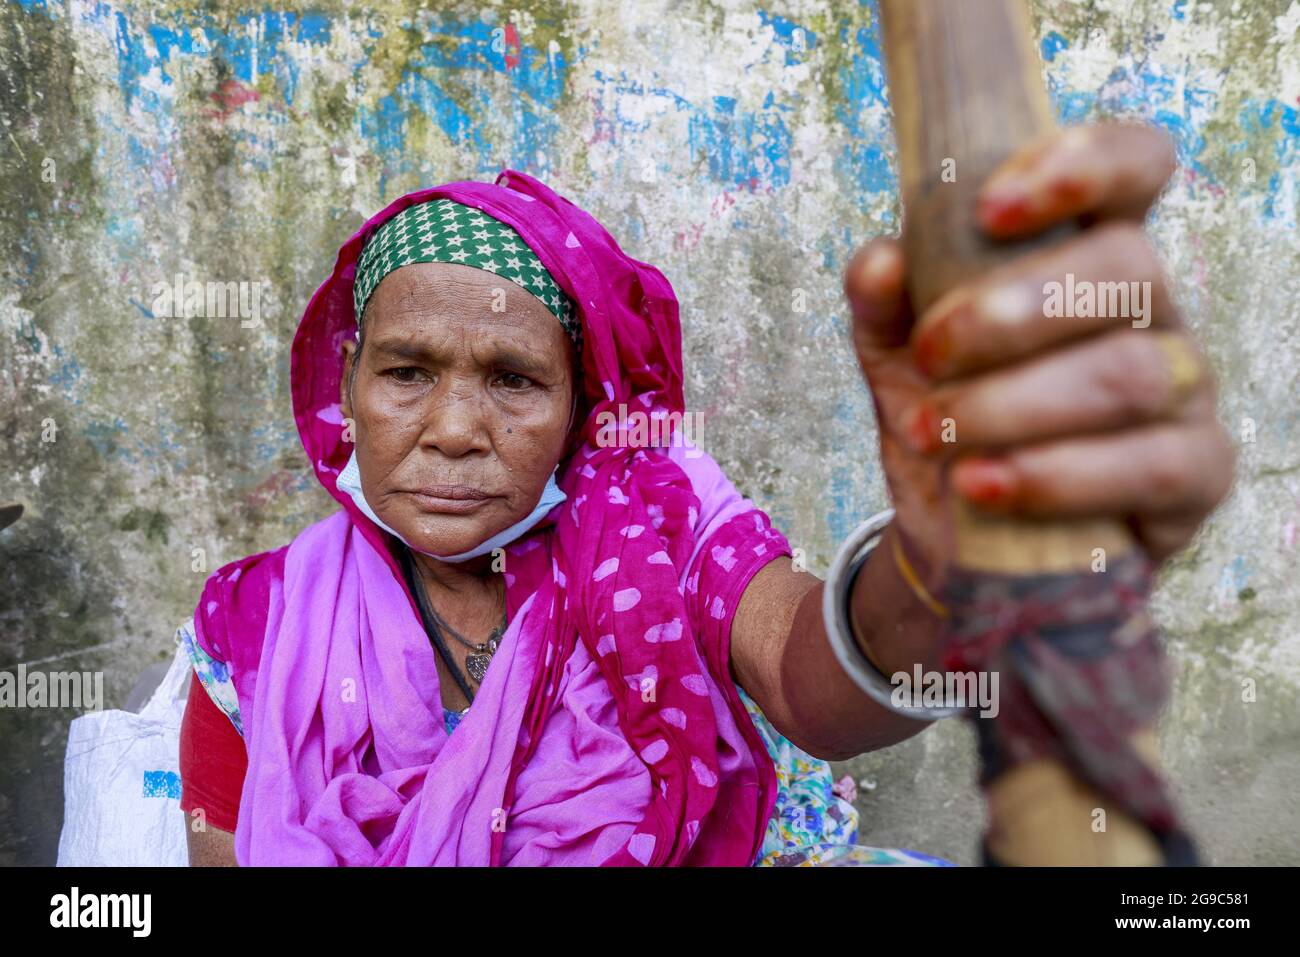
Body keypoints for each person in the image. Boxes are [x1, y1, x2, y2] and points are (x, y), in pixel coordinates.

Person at [177, 124, 1233, 866]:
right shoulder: (258, 623)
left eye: (513, 381)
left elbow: (816, 687)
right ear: (348, 388)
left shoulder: (651, 526)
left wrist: (941, 557)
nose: (454, 430)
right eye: (407, 373)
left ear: (583, 404)